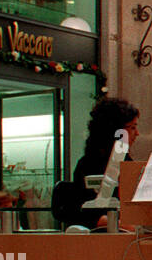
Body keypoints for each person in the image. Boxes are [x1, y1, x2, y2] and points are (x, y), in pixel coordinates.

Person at [60, 97, 139, 229]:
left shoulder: (127, 162)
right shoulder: (88, 165)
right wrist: (117, 224)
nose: (137, 133)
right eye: (132, 127)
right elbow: (82, 213)